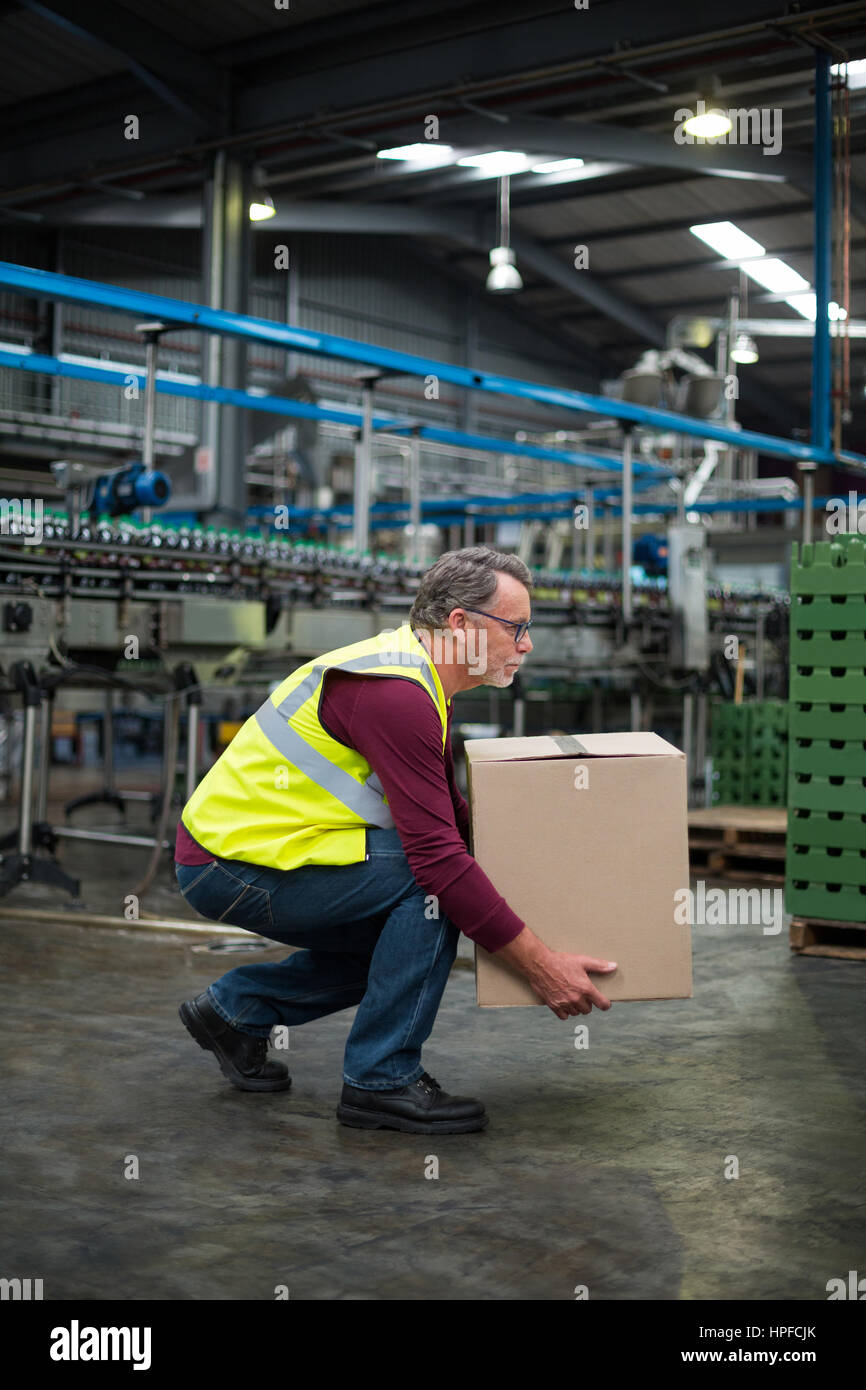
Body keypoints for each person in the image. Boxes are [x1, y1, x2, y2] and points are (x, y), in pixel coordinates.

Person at [175, 545, 616, 1134]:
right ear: (460, 624)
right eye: (517, 627)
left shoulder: (422, 680)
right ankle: (379, 1080)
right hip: (227, 865)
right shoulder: (397, 694)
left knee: (407, 935)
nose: (527, 644)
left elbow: (449, 817)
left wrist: (534, 887)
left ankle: (237, 1012)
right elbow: (437, 860)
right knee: (426, 890)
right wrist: (538, 963)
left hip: (256, 852)